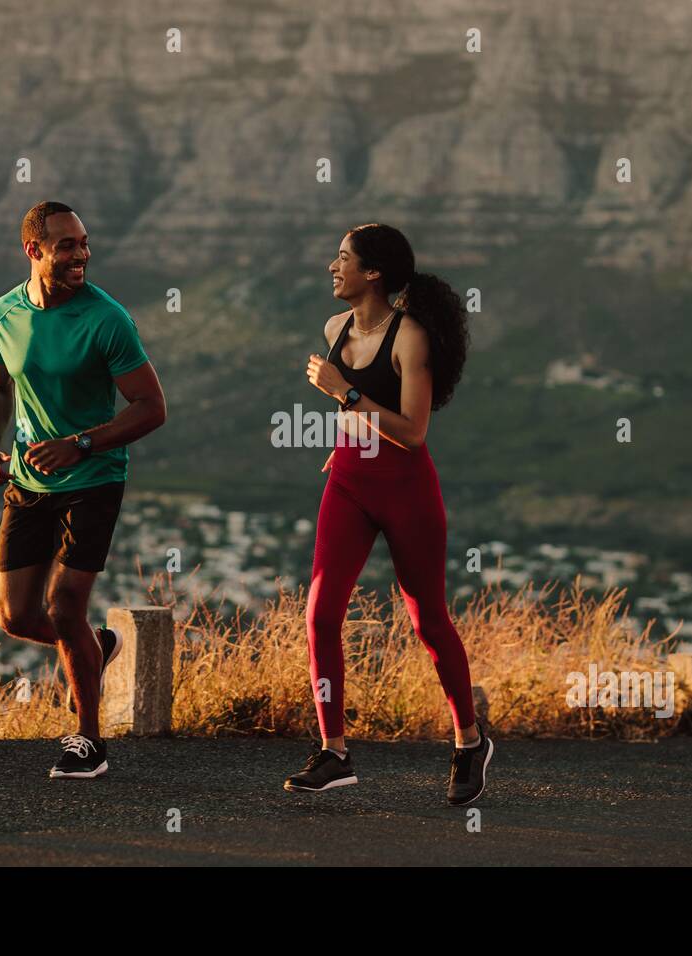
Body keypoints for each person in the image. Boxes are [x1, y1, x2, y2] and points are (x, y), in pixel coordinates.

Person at [286, 223, 493, 805]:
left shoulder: (411, 338)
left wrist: (343, 395)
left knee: (428, 620)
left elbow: (413, 432)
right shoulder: (335, 329)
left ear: (372, 273)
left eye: (343, 258)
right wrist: (346, 435)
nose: (333, 266)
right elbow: (366, 422)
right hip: (350, 483)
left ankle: (469, 741)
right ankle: (334, 752)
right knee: (321, 613)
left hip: (406, 491)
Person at [0, 201, 166, 779]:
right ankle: (97, 646)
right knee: (14, 616)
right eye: (67, 245)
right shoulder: (1, 315)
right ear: (33, 250)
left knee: (64, 609)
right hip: (30, 482)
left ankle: (89, 741)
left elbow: (152, 408)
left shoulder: (107, 319)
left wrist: (82, 444)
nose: (82, 254)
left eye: (85, 242)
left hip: (94, 477)